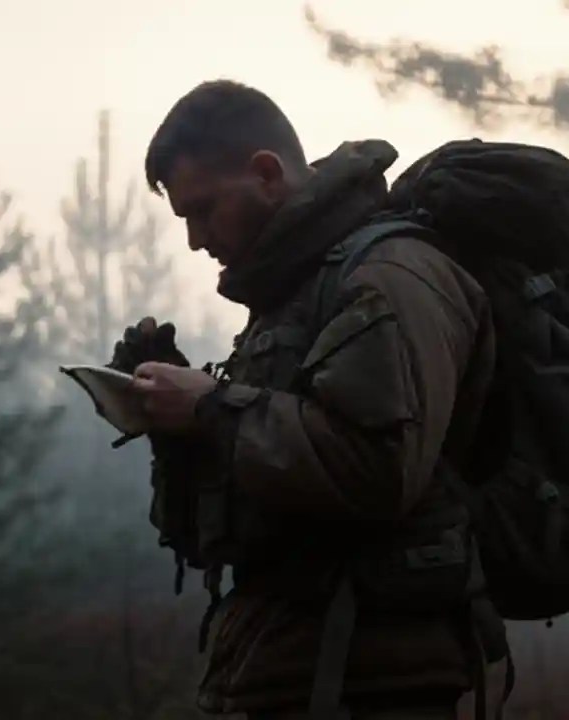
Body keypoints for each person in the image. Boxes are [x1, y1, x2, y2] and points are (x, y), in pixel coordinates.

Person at [111, 79, 502, 720]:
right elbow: (255, 513)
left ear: (266, 174)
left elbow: (378, 471)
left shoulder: (389, 274)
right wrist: (175, 424)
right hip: (301, 666)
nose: (194, 239)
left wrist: (213, 407)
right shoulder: (293, 292)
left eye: (203, 210)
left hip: (378, 682)